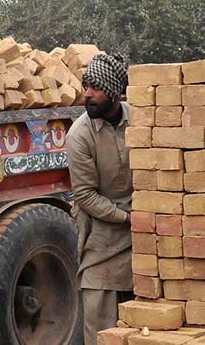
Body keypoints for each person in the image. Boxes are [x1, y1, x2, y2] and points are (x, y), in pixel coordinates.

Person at [66, 53, 133, 345]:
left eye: (96, 88)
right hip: (100, 240)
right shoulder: (79, 135)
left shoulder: (141, 118)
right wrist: (128, 219)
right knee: (101, 333)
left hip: (145, 237)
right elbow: (85, 195)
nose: (88, 95)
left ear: (115, 92)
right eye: (86, 87)